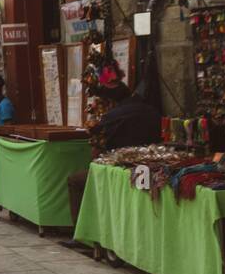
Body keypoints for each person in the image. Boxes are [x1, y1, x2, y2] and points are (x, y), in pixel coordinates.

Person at [66, 82, 161, 229]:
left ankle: (82, 232)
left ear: (111, 101)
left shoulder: (112, 116)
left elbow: (100, 147)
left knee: (75, 181)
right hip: (151, 164)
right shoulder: (153, 111)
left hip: (123, 168)